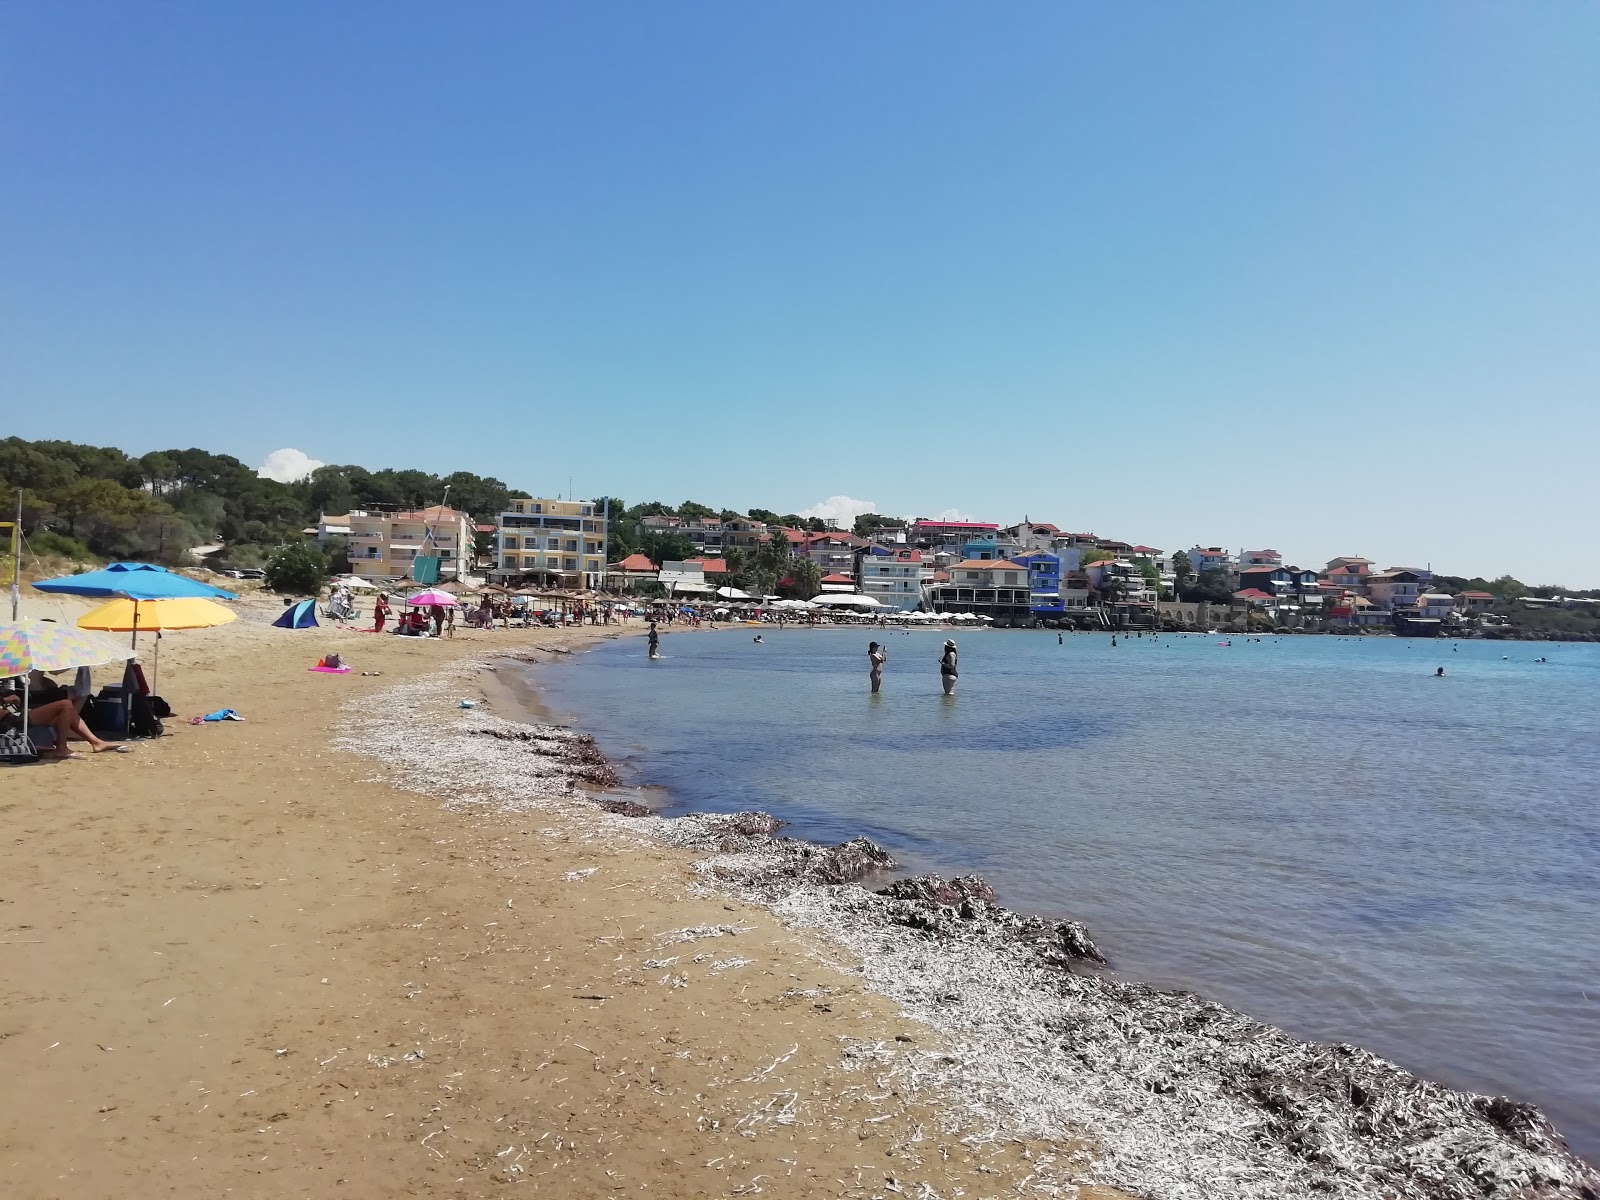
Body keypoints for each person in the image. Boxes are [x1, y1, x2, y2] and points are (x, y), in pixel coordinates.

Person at [25, 670, 126, 755]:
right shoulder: (20, 666)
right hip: (24, 713)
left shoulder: (23, 661)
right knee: (66, 704)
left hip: (32, 703)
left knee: (67, 705)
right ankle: (62, 748)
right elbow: (54, 671)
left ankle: (96, 742)